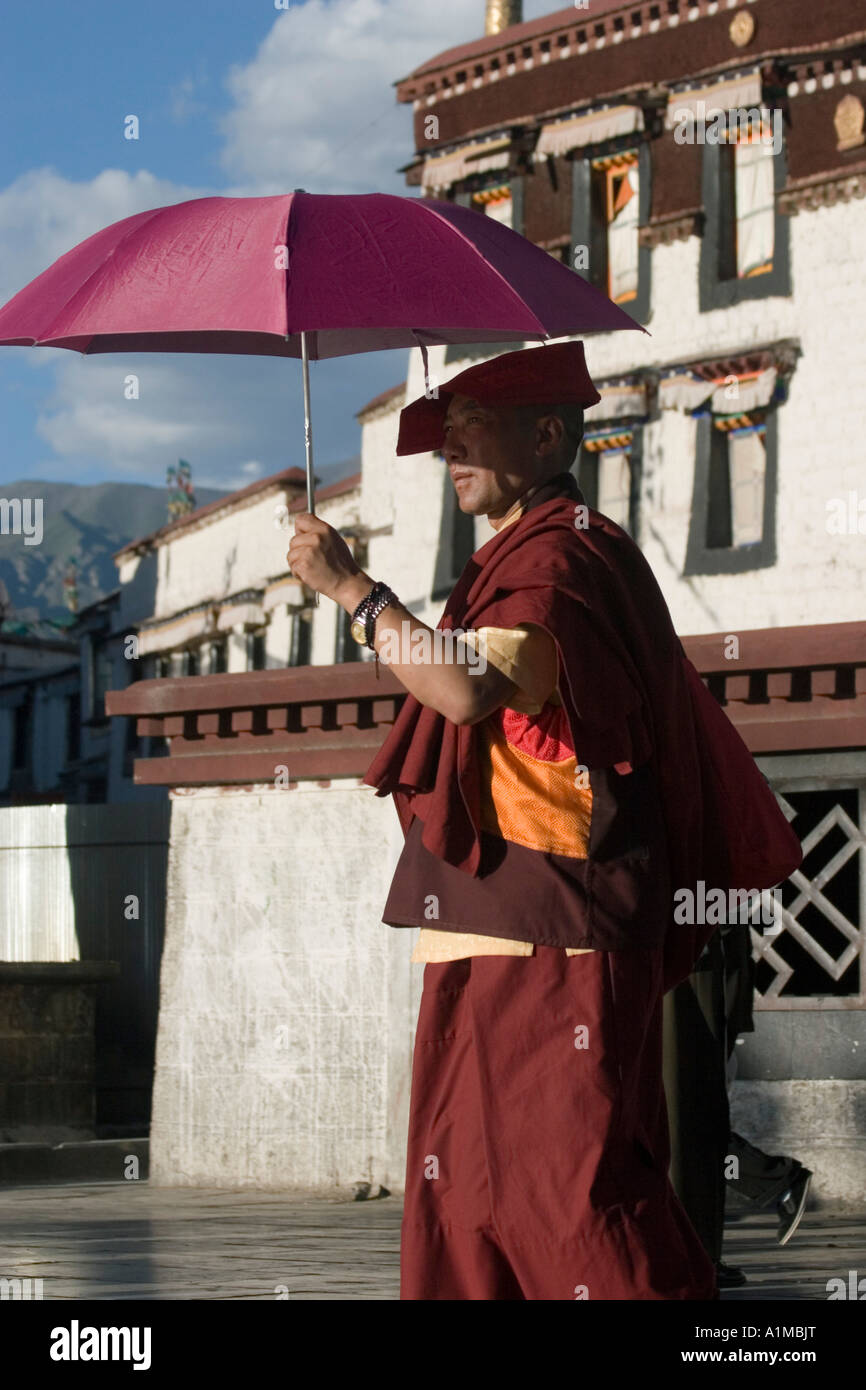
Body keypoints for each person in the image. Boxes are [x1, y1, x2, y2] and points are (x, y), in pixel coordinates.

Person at [287, 341, 791, 1301]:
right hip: (488, 918)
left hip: (556, 925)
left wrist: (353, 592)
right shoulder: (518, 555)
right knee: (465, 1197)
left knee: (570, 1197)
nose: (452, 450)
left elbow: (465, 688)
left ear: (548, 433)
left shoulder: (562, 558)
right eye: (447, 432)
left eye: (473, 429)